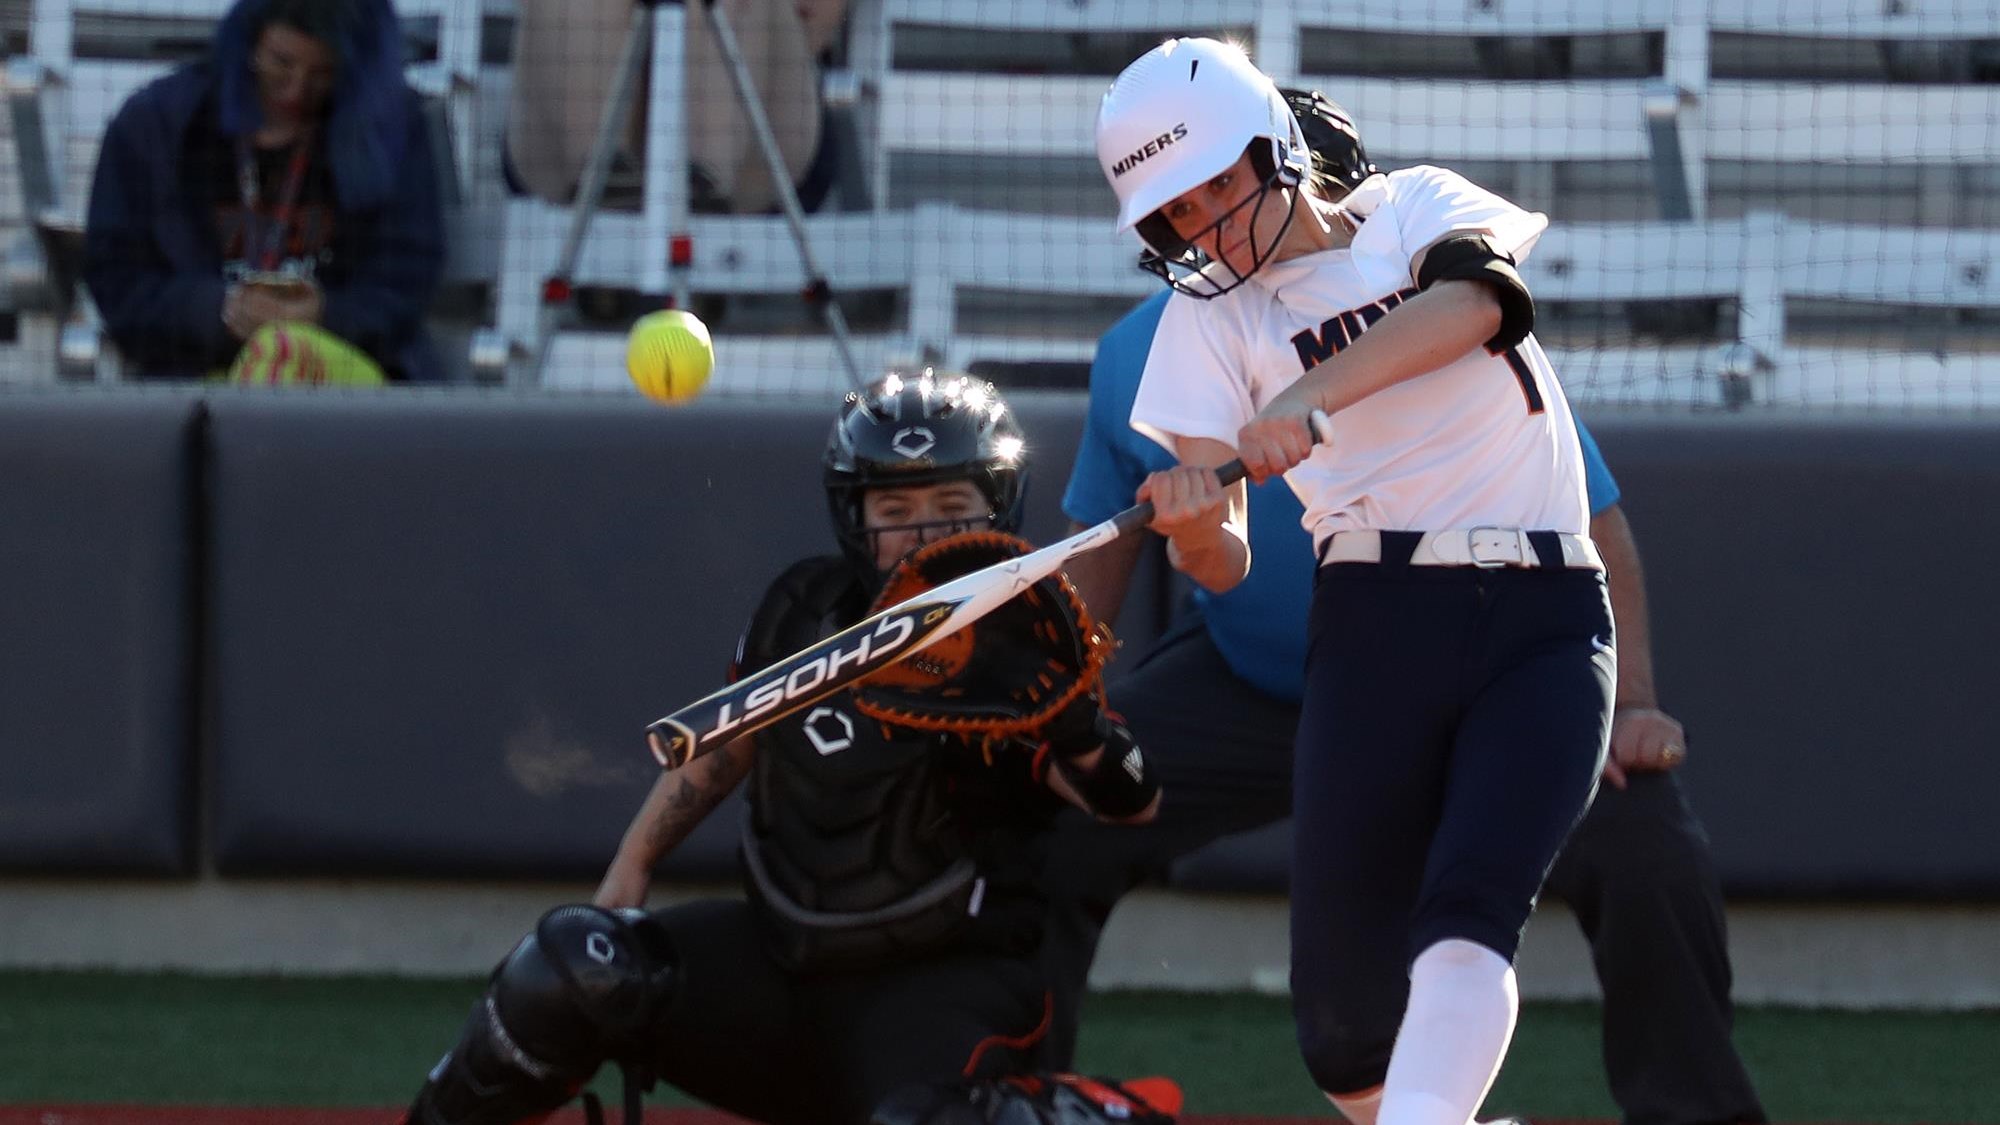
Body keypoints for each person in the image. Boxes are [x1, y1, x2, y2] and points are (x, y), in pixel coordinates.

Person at [1043, 88, 1767, 1125]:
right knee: (1341, 1037)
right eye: (1177, 212)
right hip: (1344, 647)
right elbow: (1220, 562)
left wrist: (1301, 397)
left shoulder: (1414, 210)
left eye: (1218, 186)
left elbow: (1479, 304)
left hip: (1536, 616)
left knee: (1493, 907)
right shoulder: (1192, 329)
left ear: (1282, 157)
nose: (1206, 224)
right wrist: (1194, 518)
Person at [400, 373, 1175, 1125]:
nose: (923, 531)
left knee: (916, 1118)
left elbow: (1131, 802)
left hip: (942, 982)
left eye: (950, 505)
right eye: (895, 507)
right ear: (853, 514)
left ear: (996, 506)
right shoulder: (805, 610)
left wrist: (1073, 718)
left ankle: (1077, 1111)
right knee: (573, 964)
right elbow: (726, 746)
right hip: (782, 963)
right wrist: (631, 865)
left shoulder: (1020, 644)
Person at [83, 0, 445, 384]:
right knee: (271, 364)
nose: (297, 91)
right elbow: (117, 281)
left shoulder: (393, 127)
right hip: (193, 369)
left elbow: (406, 278)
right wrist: (217, 310)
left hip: (341, 368)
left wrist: (327, 315)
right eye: (281, 63)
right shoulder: (155, 124)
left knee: (280, 360)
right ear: (249, 42)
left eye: (323, 73)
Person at [504, 0, 846, 214]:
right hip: (560, 158)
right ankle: (606, 181)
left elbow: (817, 18)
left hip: (762, 146)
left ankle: (701, 188)